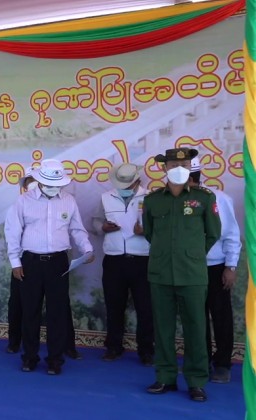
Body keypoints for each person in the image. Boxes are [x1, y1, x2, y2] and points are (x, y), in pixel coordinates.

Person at [143, 147, 220, 402]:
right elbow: (149, 233)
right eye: (173, 164)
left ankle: (196, 381)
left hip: (192, 275)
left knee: (196, 329)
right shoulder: (153, 200)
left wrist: (193, 254)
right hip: (161, 273)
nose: (179, 168)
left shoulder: (205, 198)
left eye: (185, 163)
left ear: (191, 167)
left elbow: (212, 234)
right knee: (163, 329)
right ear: (164, 167)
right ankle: (165, 377)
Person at [4, 159, 94, 375]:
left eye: (58, 184)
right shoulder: (24, 201)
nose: (55, 188)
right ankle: (30, 357)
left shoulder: (68, 200)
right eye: (51, 184)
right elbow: (12, 233)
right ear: (41, 181)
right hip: (30, 262)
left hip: (58, 262)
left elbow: (77, 229)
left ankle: (55, 360)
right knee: (30, 312)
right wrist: (15, 262)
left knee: (57, 312)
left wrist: (87, 249)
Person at [92, 163, 154, 366]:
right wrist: (103, 227)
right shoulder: (105, 197)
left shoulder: (151, 197)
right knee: (113, 305)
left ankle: (146, 350)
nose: (124, 187)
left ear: (138, 181)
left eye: (128, 183)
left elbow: (161, 227)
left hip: (142, 259)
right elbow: (95, 222)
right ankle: (113, 347)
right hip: (114, 259)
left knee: (146, 307)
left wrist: (147, 231)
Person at [187, 158, 240, 384]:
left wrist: (230, 266)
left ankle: (223, 364)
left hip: (215, 268)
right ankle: (201, 362)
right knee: (195, 318)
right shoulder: (174, 200)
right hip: (188, 269)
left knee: (220, 317)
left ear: (190, 178)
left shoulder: (218, 198)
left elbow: (231, 235)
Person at [5, 168, 36, 353]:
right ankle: (15, 342)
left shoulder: (58, 203)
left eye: (35, 180)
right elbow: (12, 234)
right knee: (17, 303)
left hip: (48, 260)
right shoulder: (18, 205)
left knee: (59, 304)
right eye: (29, 181)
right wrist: (15, 261)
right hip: (23, 260)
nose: (32, 184)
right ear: (24, 186)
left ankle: (67, 345)